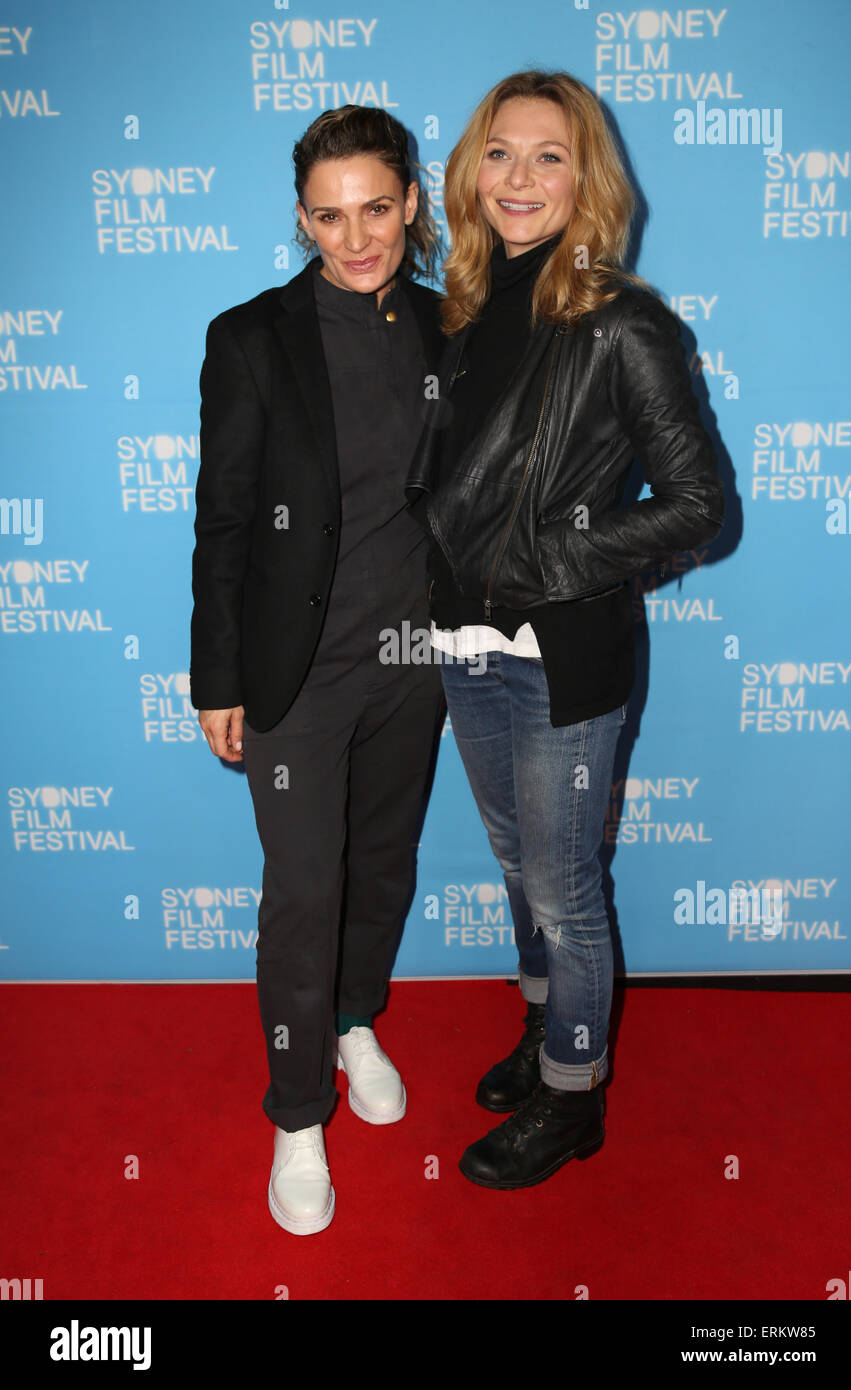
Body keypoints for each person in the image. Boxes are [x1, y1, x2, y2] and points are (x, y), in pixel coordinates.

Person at [407, 71, 725, 1189]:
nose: (519, 178)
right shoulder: (458, 307)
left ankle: (572, 1093)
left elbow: (699, 507)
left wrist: (550, 565)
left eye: (547, 155)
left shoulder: (624, 322)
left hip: (565, 655)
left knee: (562, 887)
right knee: (513, 861)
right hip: (465, 644)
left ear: (586, 175)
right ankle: (545, 1032)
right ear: (469, 171)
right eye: (499, 153)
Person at [190, 106, 445, 1234]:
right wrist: (216, 676)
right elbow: (224, 520)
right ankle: (297, 1113)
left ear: (409, 206)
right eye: (330, 216)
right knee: (303, 892)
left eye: (376, 210)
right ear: (301, 217)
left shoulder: (453, 327)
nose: (356, 239)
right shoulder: (249, 338)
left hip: (416, 659)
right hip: (297, 672)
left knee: (381, 863)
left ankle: (354, 1022)